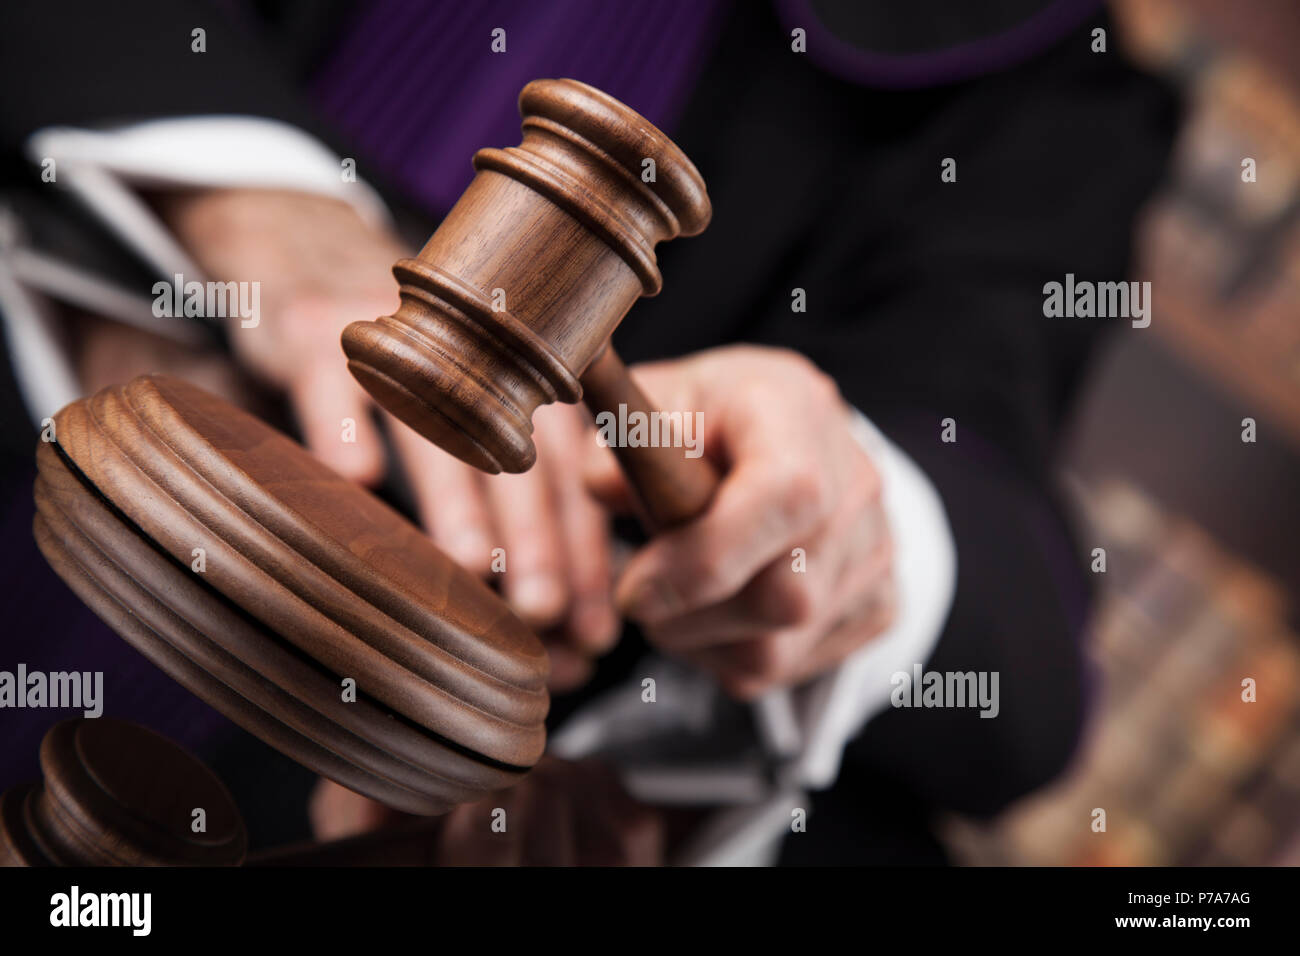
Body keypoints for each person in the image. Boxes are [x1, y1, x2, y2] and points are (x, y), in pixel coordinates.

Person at [0, 0, 1178, 863]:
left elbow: (1016, 664)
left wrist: (862, 513)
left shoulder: (1051, 100)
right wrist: (249, 193)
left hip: (295, 793)